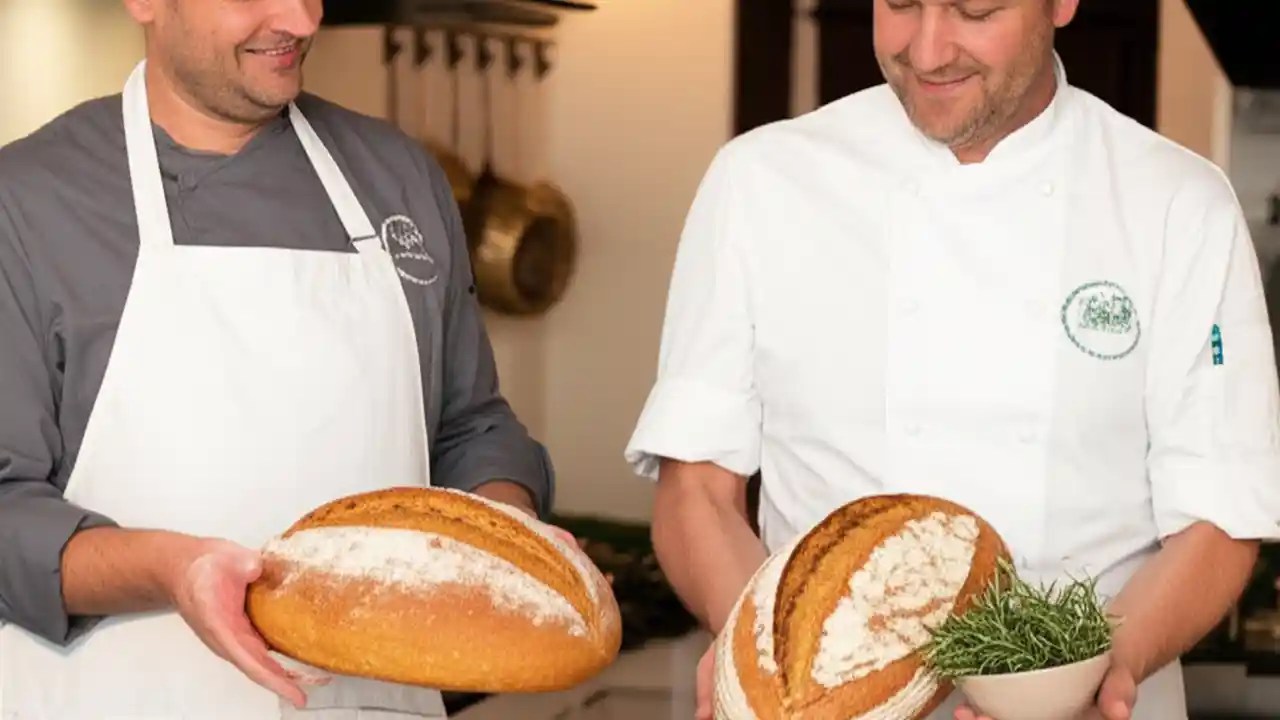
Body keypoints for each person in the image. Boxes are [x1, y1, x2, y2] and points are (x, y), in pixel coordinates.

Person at [624, 1, 1280, 719]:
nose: (929, 50)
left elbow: (1220, 521)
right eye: (900, 3)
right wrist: (765, 652)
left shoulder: (1178, 207)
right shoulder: (760, 182)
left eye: (974, 9)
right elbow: (696, 492)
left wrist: (1096, 674)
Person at [0, 1, 565, 718]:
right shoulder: (27, 202)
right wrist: (172, 571)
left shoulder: (397, 178)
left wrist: (508, 537)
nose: (298, 19)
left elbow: (468, 426)